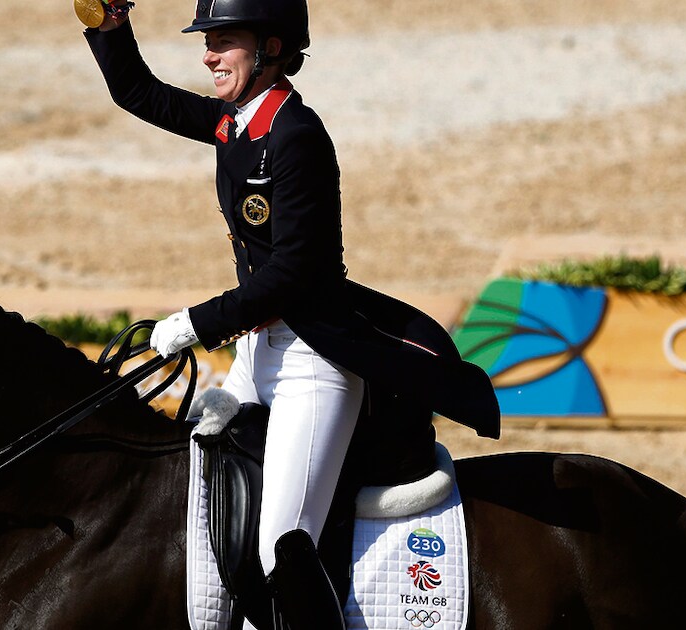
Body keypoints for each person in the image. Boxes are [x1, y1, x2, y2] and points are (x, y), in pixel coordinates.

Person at [82, 1, 500, 627]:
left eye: (223, 42)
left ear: (271, 48)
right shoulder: (236, 123)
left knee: (281, 549)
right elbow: (137, 92)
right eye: (208, 41)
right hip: (257, 352)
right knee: (208, 508)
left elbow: (292, 275)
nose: (208, 56)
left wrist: (194, 325)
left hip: (314, 360)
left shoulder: (296, 134)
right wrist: (108, 27)